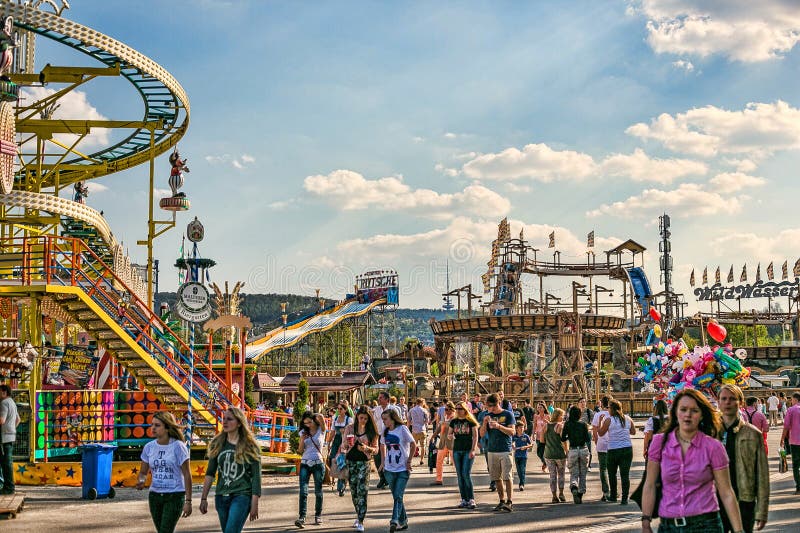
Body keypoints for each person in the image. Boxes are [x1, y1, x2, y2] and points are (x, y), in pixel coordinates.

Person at [640, 388, 744, 533]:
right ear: (675, 413)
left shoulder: (713, 447)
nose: (688, 415)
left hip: (706, 525)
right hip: (669, 526)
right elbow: (650, 484)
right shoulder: (659, 443)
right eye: (683, 409)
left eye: (694, 410)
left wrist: (738, 530)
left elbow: (726, 492)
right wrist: (646, 522)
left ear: (701, 415)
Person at [199, 407, 261, 533]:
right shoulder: (217, 443)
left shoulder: (251, 446)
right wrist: (203, 498)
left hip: (242, 496)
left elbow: (256, 477)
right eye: (224, 419)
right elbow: (210, 473)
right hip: (221, 497)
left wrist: (254, 503)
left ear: (239, 423)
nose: (225, 422)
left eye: (229, 419)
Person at [717, 385, 769, 533]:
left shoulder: (753, 434)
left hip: (744, 499)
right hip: (715, 500)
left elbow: (762, 475)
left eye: (732, 399)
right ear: (718, 402)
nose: (728, 402)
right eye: (724, 399)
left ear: (740, 402)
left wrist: (762, 511)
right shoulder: (710, 433)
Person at [136, 411, 192, 533]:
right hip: (155, 496)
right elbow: (143, 472)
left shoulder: (178, 446)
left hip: (174, 495)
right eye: (152, 425)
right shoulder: (149, 447)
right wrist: (141, 481)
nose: (153, 428)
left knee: (165, 531)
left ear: (167, 428)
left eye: (157, 425)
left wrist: (188, 501)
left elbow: (187, 474)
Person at [379, 408, 416, 533]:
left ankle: (394, 520)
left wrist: (409, 461)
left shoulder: (402, 429)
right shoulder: (385, 431)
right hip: (389, 469)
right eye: (382, 419)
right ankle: (403, 521)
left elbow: (413, 444)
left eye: (385, 419)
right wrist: (383, 463)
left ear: (393, 418)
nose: (383, 421)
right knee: (397, 496)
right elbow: (382, 445)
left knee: (398, 496)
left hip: (402, 469)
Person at [343, 406, 379, 532]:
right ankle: (358, 516)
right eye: (361, 417)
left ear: (369, 419)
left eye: (365, 418)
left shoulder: (372, 432)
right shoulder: (349, 428)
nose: (363, 420)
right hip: (351, 462)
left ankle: (361, 520)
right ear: (357, 416)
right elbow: (343, 445)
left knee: (362, 491)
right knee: (354, 493)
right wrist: (348, 444)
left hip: (364, 463)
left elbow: (376, 449)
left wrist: (366, 448)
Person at [480, 393, 516, 512]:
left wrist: (499, 426)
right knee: (496, 478)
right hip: (492, 450)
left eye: (488, 406)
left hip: (505, 449)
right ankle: (501, 501)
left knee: (507, 477)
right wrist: (485, 423)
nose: (487, 408)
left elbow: (512, 432)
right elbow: (481, 434)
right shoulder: (487, 415)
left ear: (495, 405)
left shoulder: (507, 414)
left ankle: (509, 501)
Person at [598, 399, 635, 504]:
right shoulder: (628, 418)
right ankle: (624, 498)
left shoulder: (609, 420)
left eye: (609, 407)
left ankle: (613, 495)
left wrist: (600, 422)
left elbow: (600, 433)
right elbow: (633, 432)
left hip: (613, 449)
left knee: (612, 473)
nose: (608, 409)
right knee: (625, 474)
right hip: (627, 449)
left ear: (613, 409)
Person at [295, 412, 327, 528]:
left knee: (318, 491)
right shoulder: (303, 432)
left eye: (310, 422)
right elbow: (300, 450)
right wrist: (302, 439)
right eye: (305, 423)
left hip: (318, 463)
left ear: (314, 420)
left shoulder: (321, 430)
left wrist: (316, 414)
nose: (308, 425)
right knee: (303, 491)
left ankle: (318, 515)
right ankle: (302, 517)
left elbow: (322, 418)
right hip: (305, 463)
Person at [449, 401, 479, 508]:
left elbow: (475, 436)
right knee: (460, 475)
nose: (458, 411)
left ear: (465, 410)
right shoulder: (454, 421)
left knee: (466, 474)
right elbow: (449, 433)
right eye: (456, 409)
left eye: (460, 409)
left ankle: (471, 498)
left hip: (468, 450)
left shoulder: (471, 421)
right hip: (457, 450)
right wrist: (450, 436)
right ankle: (464, 499)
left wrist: (473, 449)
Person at [562, 406, 591, 504]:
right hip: (583, 449)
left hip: (573, 449)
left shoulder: (567, 424)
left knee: (573, 472)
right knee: (583, 472)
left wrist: (569, 435)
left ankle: (574, 485)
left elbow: (563, 438)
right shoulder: (583, 424)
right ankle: (580, 493)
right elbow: (587, 439)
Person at [372, 391, 400, 489]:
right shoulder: (376, 409)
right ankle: (382, 477)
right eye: (379, 398)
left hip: (390, 435)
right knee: (377, 457)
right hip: (379, 435)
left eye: (381, 398)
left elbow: (398, 422)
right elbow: (374, 422)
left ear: (387, 399)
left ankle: (390, 478)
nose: (379, 399)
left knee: (390, 456)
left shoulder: (393, 409)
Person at [543, 407, 567, 503]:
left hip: (548, 454)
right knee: (561, 474)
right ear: (558, 416)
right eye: (562, 416)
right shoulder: (560, 426)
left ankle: (554, 496)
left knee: (552, 475)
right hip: (560, 454)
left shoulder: (546, 426)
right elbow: (563, 440)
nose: (563, 418)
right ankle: (561, 493)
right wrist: (567, 450)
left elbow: (541, 440)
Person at [329, 403, 353, 497]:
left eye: (341, 409)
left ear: (345, 410)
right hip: (336, 441)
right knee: (334, 460)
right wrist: (329, 443)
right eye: (338, 409)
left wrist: (346, 432)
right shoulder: (335, 419)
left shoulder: (349, 419)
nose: (339, 410)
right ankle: (337, 481)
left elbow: (352, 432)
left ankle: (341, 485)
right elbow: (332, 432)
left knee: (342, 462)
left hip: (345, 441)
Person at [0, 384, 19, 495]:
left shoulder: (4, 403)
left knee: (6, 463)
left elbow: (1, 420)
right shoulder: (12, 402)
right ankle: (8, 486)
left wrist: (7, 428)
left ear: (4, 392)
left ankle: (8, 487)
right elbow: (18, 419)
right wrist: (11, 428)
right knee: (7, 462)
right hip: (11, 435)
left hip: (4, 437)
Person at [591, 395, 611, 501]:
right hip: (613, 444)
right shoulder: (614, 415)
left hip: (601, 443)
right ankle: (613, 490)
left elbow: (594, 430)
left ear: (601, 404)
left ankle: (606, 491)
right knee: (612, 468)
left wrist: (596, 441)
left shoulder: (598, 414)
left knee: (603, 468)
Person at [780, 391, 800, 495]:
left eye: (791, 399)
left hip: (795, 441)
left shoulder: (791, 410)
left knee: (796, 464)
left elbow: (786, 426)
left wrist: (782, 439)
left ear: (795, 399)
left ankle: (798, 487)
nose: (791, 401)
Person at [432, 401, 455, 485]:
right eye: (445, 409)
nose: (445, 411)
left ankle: (461, 479)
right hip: (442, 442)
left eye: (446, 409)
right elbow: (439, 427)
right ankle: (439, 479)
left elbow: (453, 426)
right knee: (439, 461)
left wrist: (444, 423)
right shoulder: (445, 416)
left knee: (456, 462)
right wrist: (433, 436)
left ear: (452, 409)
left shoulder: (455, 417)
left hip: (452, 442)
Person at [511, 421, 532, 492]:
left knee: (522, 470)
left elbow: (531, 444)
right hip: (516, 456)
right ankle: (521, 482)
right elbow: (511, 443)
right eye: (520, 427)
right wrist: (513, 445)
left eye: (523, 427)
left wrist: (526, 447)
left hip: (524, 456)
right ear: (516, 428)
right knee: (519, 471)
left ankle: (521, 484)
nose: (522, 429)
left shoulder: (526, 436)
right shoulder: (514, 436)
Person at [408, 398, 429, 466]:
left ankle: (410, 460)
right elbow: (427, 421)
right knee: (423, 446)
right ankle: (421, 460)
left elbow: (408, 420)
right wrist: (424, 423)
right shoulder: (424, 410)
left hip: (414, 430)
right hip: (422, 429)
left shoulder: (411, 410)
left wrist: (408, 428)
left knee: (413, 446)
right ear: (422, 402)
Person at [577, 398, 594, 467]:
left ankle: (588, 465)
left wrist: (589, 428)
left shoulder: (589, 411)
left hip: (587, 432)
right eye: (581, 402)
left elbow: (593, 423)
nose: (582, 403)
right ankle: (580, 464)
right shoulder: (576, 411)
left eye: (584, 402)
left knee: (588, 449)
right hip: (578, 433)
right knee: (578, 449)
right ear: (578, 404)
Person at [533, 402, 550, 472]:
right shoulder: (536, 416)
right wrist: (532, 434)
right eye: (538, 407)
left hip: (546, 436)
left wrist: (547, 422)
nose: (539, 408)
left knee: (544, 452)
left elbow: (551, 425)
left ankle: (545, 464)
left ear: (544, 408)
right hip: (538, 436)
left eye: (541, 407)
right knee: (539, 452)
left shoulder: (548, 416)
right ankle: (546, 463)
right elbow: (534, 426)